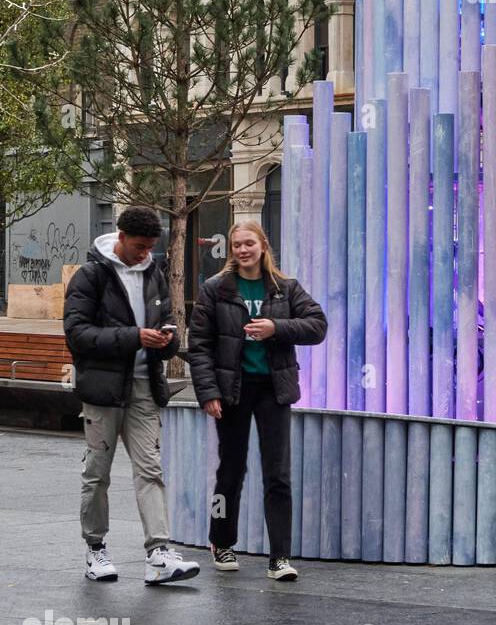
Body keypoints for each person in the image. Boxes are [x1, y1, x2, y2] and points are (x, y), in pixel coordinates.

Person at [64, 205, 201, 584]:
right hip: (103, 389)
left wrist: (166, 340)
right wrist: (134, 337)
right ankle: (95, 549)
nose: (145, 254)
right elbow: (77, 335)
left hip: (145, 387)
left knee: (150, 470)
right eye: (139, 247)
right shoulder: (91, 275)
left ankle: (158, 553)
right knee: (97, 473)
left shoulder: (154, 273)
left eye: (150, 248)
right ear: (121, 237)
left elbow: (166, 322)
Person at [187, 220, 327, 580]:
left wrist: (276, 328)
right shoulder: (215, 289)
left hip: (273, 390)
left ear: (263, 245)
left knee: (278, 474)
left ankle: (280, 556)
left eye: (249, 243)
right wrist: (208, 392)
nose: (243, 250)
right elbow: (199, 345)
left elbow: (317, 326)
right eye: (237, 245)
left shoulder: (285, 288)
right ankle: (221, 541)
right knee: (230, 470)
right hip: (232, 391)